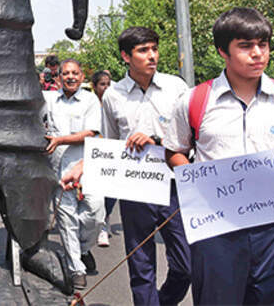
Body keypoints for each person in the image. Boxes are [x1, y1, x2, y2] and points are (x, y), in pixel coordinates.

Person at [162, 8, 274, 305]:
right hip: (216, 233)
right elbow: (174, 151)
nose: (257, 54)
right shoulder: (193, 101)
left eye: (263, 44)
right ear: (222, 51)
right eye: (245, 46)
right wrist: (196, 181)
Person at [101, 27, 191, 306]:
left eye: (154, 49)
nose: (152, 56)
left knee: (186, 264)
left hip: (174, 186)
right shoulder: (112, 95)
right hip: (135, 189)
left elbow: (191, 136)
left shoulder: (176, 87)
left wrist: (157, 140)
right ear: (126, 56)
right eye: (143, 50)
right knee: (141, 264)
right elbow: (110, 144)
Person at [43, 58, 102, 289]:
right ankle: (76, 267)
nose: (70, 77)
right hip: (58, 169)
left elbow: (91, 132)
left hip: (87, 166)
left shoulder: (90, 101)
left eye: (75, 73)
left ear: (81, 76)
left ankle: (84, 247)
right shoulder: (49, 101)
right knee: (66, 220)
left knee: (95, 214)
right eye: (65, 73)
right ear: (58, 77)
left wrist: (60, 139)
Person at [90, 70, 115, 248]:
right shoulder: (90, 104)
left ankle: (104, 223)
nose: (106, 88)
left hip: (113, 154)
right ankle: (98, 226)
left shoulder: (114, 103)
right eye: (102, 84)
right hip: (95, 155)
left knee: (111, 194)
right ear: (95, 86)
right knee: (95, 197)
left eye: (108, 84)